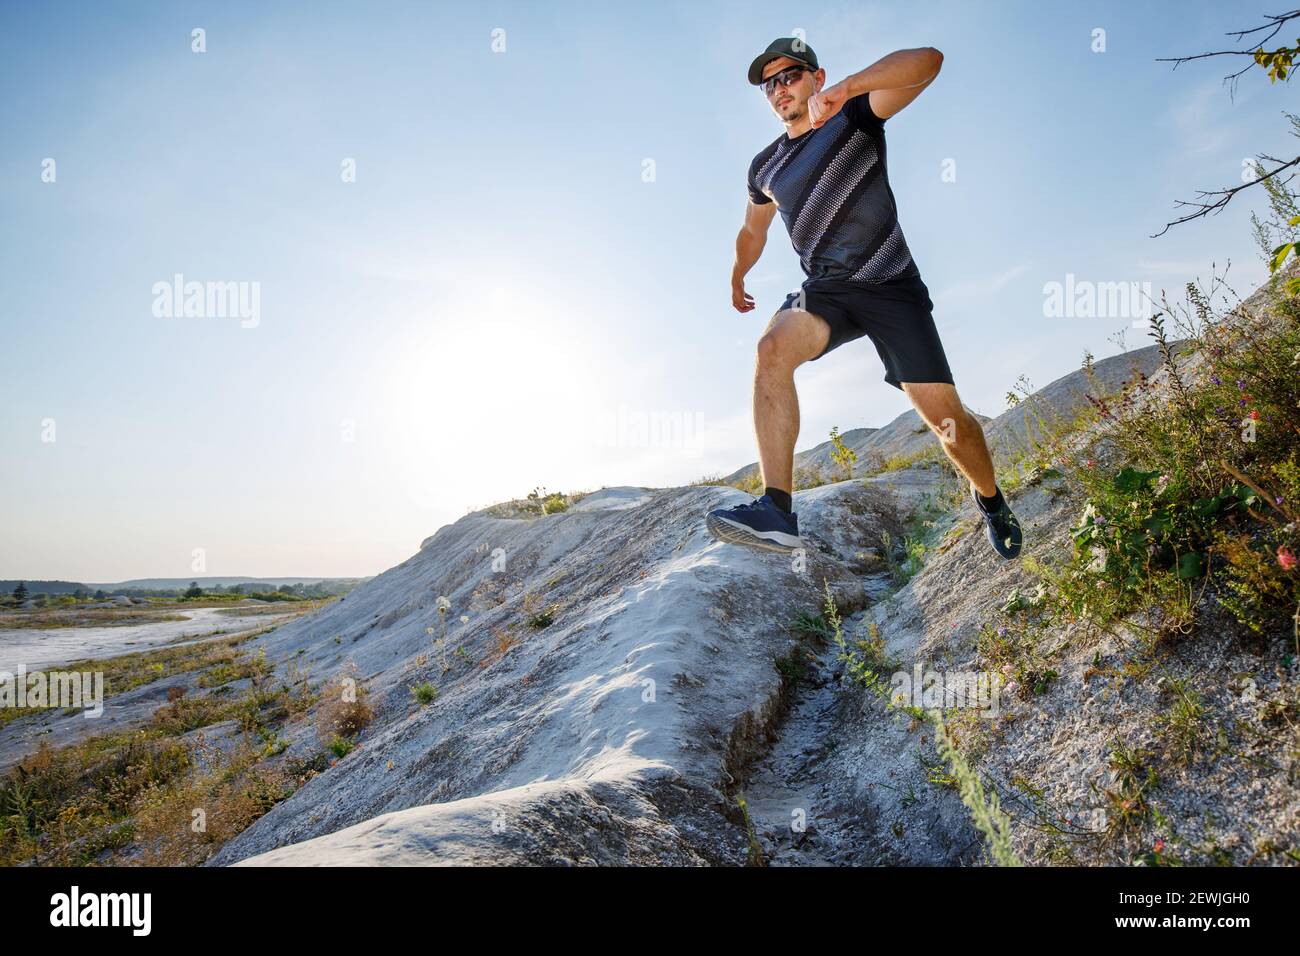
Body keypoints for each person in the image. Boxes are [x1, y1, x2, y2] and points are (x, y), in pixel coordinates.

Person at [705, 37, 1023, 559]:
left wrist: (852, 87)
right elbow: (753, 231)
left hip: (890, 284)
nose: (780, 88)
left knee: (947, 422)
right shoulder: (765, 167)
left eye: (790, 76)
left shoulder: (853, 115)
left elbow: (929, 62)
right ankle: (778, 511)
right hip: (826, 289)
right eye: (770, 83)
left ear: (816, 77)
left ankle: (990, 501)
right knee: (771, 350)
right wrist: (738, 275)